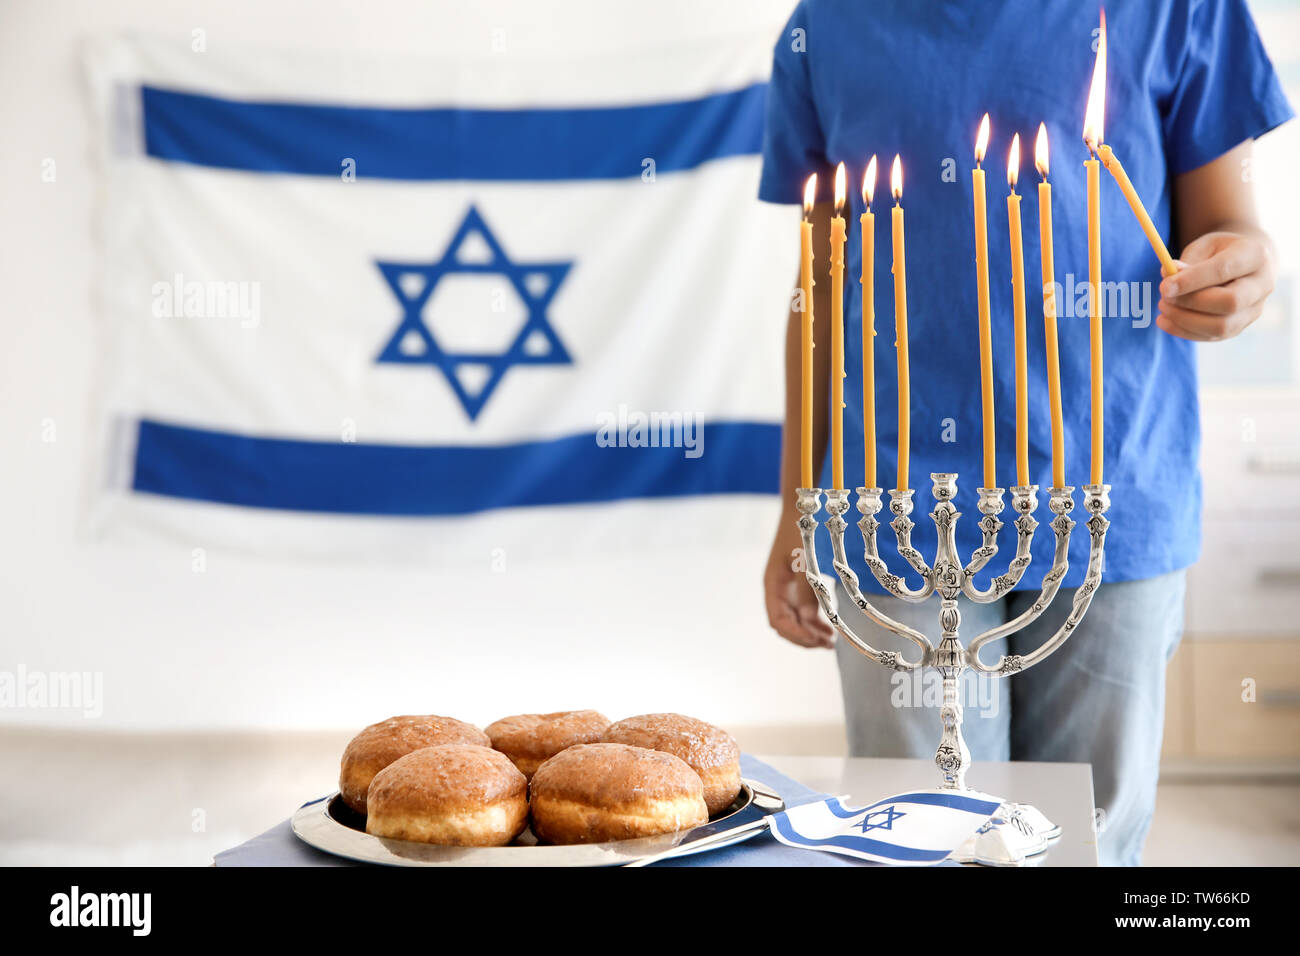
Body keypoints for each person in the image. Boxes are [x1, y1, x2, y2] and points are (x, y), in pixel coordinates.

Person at [758, 0, 1292, 866]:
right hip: (891, 504)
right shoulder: (825, 27)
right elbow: (816, 291)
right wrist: (797, 509)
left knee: (1088, 844)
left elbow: (1228, 230)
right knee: (922, 835)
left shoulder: (1182, 11)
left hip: (1112, 488)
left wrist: (1241, 272)